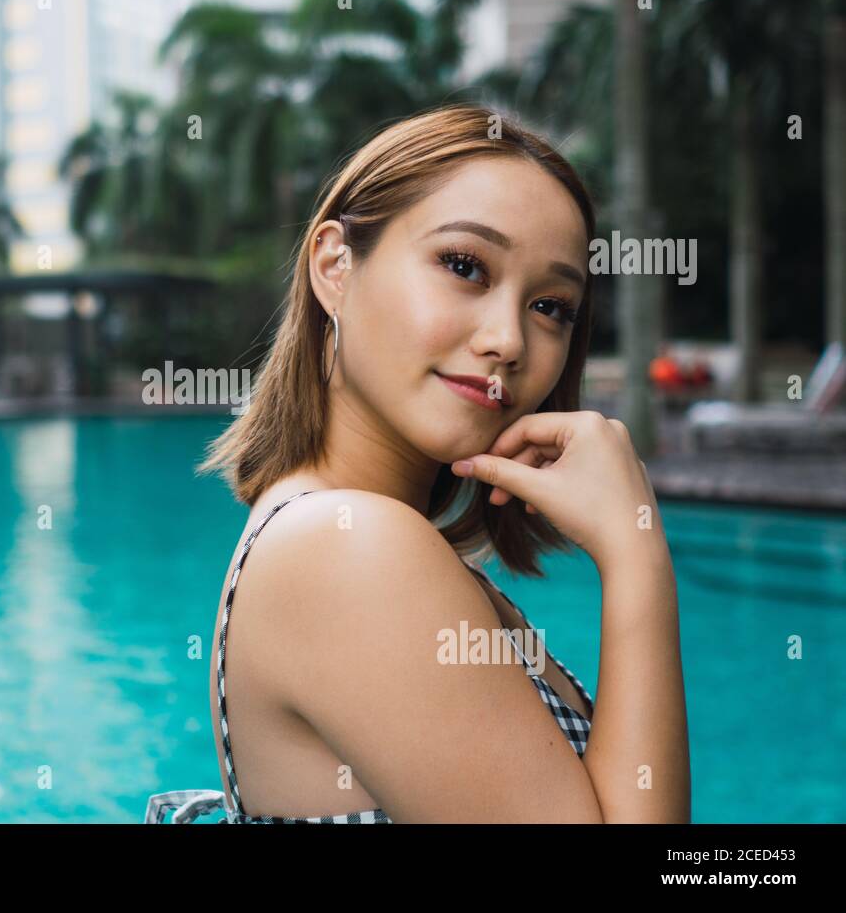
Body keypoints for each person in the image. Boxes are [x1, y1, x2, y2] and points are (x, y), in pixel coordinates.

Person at [144, 104, 688, 824]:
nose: (508, 340)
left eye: (551, 305)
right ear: (334, 267)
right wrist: (636, 556)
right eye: (464, 266)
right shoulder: (349, 548)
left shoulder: (344, 532)